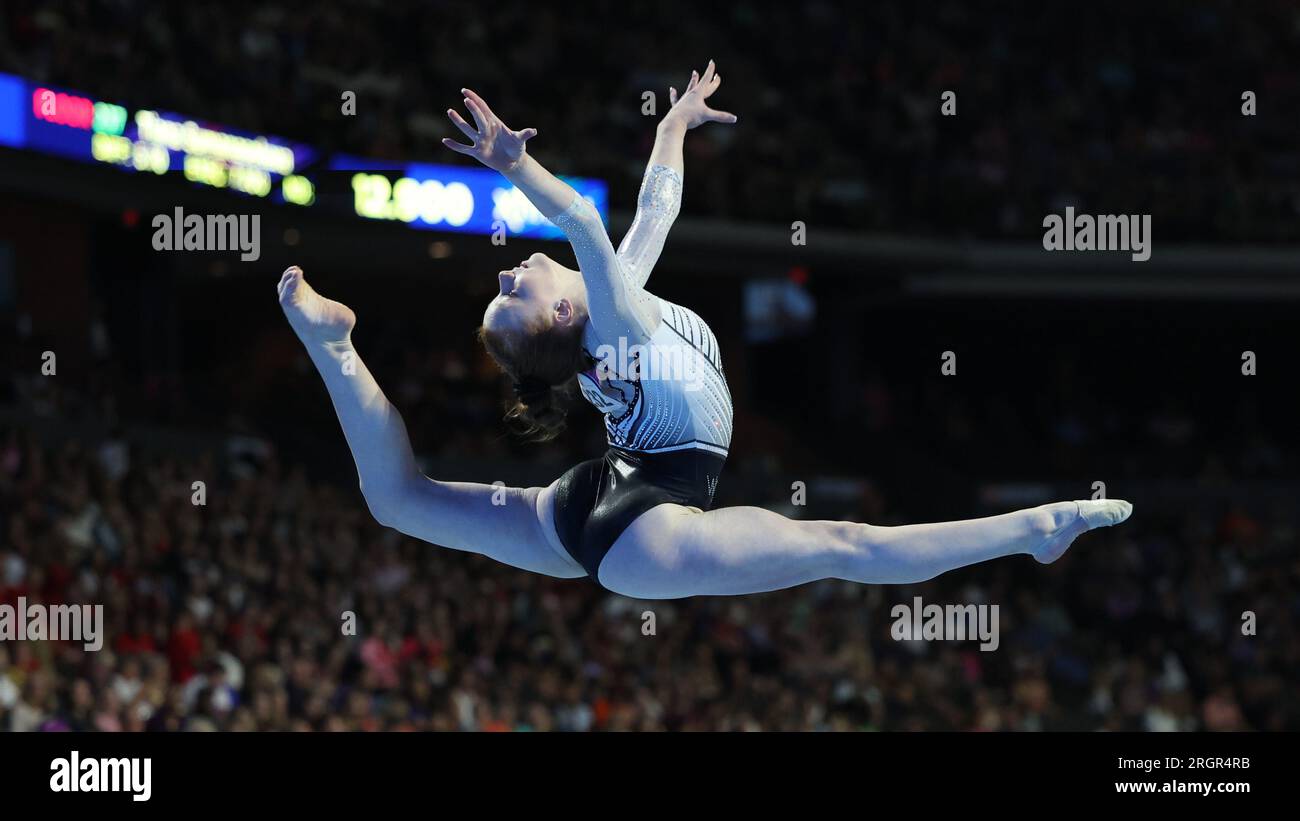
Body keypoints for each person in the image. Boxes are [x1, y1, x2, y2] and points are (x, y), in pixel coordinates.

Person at [277, 61, 1131, 599]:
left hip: (586, 505)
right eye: (514, 295)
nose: (506, 272)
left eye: (500, 287)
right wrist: (513, 164)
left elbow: (656, 209)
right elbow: (579, 214)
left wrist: (671, 127)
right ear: (566, 313)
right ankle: (1037, 527)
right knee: (844, 543)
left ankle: (336, 349)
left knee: (399, 500)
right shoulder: (610, 321)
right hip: (650, 517)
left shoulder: (621, 305)